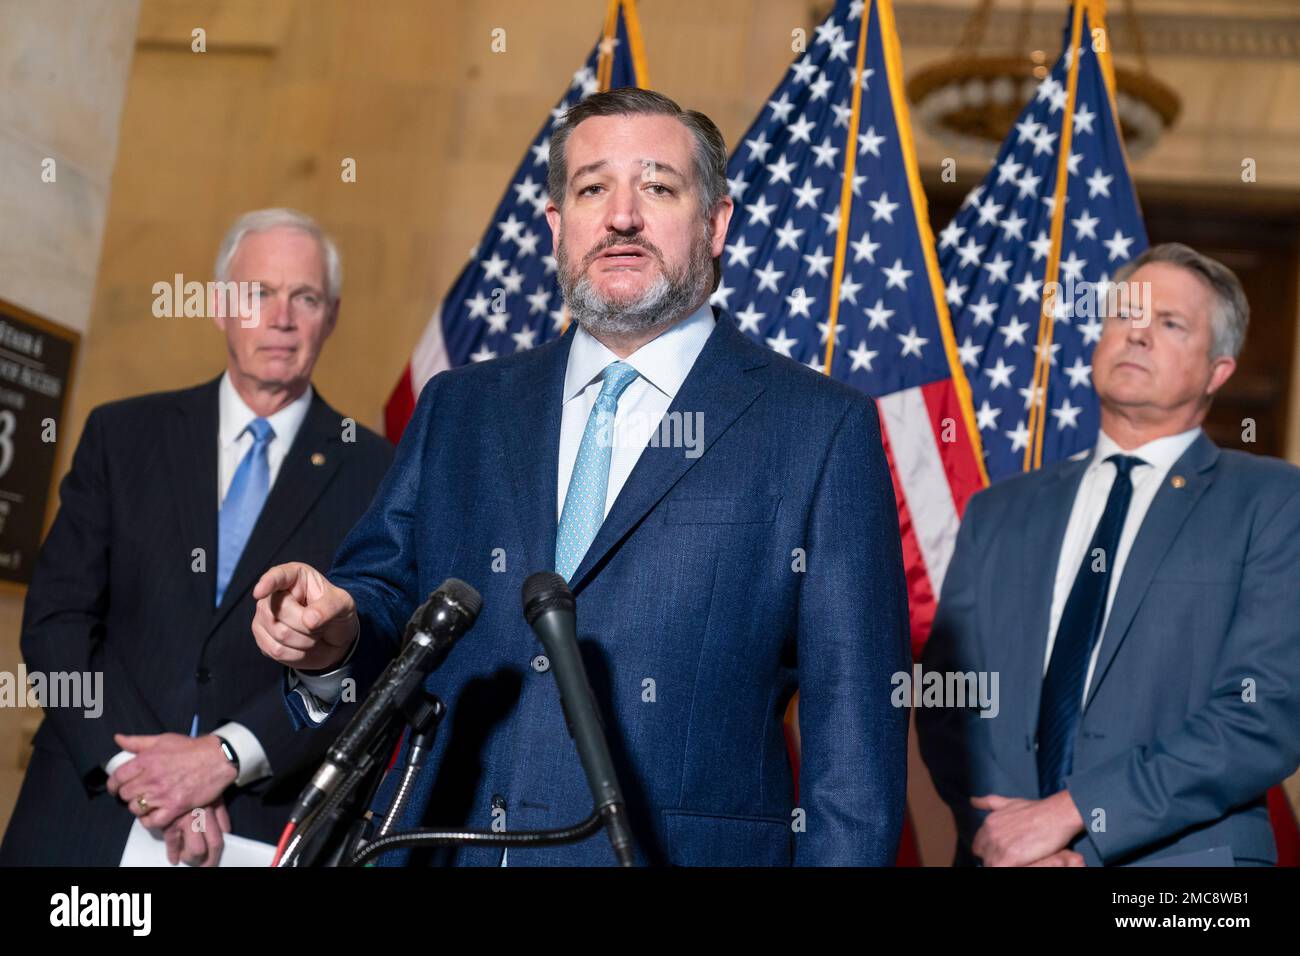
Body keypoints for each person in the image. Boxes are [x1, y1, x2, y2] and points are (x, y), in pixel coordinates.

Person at [252, 88, 910, 866]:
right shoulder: (461, 405)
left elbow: (855, 750)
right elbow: (387, 606)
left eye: (658, 187)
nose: (622, 216)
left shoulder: (820, 429)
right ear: (558, 227)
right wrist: (333, 634)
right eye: (593, 187)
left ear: (717, 223)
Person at [0, 209, 392, 866]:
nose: (281, 318)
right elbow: (56, 622)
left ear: (333, 316)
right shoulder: (122, 437)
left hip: (256, 825)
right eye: (257, 294)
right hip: (86, 807)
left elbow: (364, 666)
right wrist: (142, 771)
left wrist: (226, 756)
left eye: (306, 297)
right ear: (217, 306)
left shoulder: (379, 472)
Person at [918, 242, 1300, 866]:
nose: (1138, 336)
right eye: (1126, 316)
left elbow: (1265, 713)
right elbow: (946, 698)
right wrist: (1004, 834)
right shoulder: (999, 511)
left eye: (1170, 324)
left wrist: (1073, 816)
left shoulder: (1275, 503)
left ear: (1218, 371)